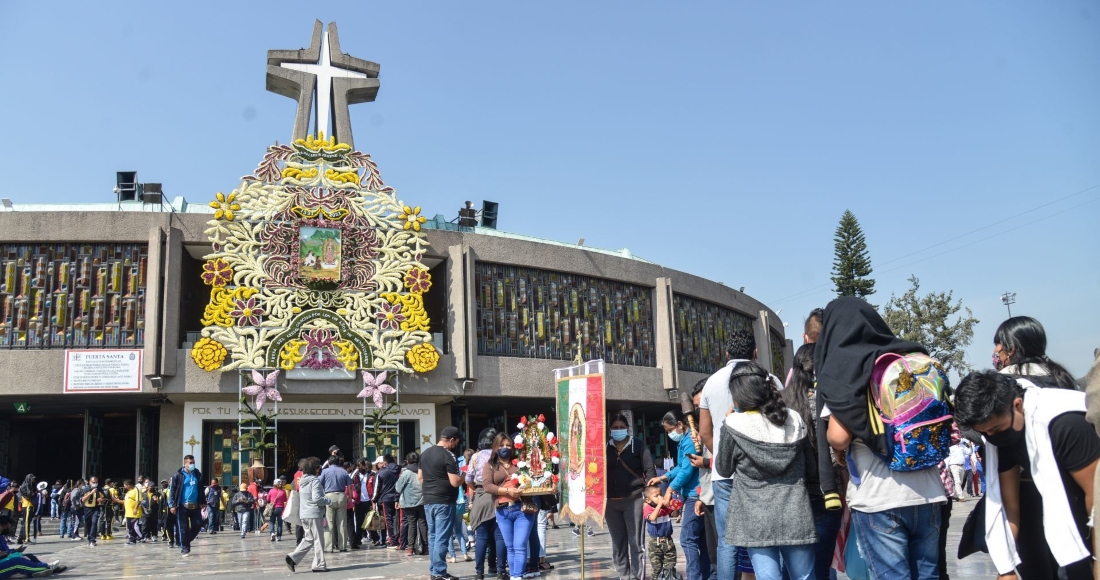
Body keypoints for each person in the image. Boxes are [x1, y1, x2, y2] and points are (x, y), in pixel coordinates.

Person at [817, 297, 946, 580]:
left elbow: (838, 437)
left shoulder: (843, 370)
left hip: (880, 497)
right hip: (929, 490)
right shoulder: (909, 357)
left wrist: (840, 446)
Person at [955, 370, 1098, 579]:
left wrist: (1098, 560)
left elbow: (1095, 498)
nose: (991, 437)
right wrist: (1005, 568)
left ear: (1017, 405)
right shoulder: (1000, 437)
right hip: (1062, 511)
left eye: (995, 428)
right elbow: (1010, 506)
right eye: (984, 433)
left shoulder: (1065, 424)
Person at [716, 361, 816, 580]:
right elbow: (811, 469)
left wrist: (727, 422)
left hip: (755, 517)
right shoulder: (794, 420)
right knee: (805, 576)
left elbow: (723, 469)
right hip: (795, 513)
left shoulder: (734, 425)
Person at [698, 328, 770, 580]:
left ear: (726, 353)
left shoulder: (711, 383)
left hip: (723, 474)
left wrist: (723, 454)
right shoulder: (768, 378)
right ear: (755, 353)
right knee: (765, 536)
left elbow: (705, 431)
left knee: (727, 541)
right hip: (763, 471)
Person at [780, 342, 843, 580]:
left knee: (791, 570)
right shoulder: (828, 402)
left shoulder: (780, 404)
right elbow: (836, 455)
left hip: (790, 499)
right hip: (827, 496)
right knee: (821, 569)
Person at [649, 411, 709, 580]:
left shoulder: (690, 439)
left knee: (687, 538)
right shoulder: (683, 441)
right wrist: (663, 477)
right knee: (701, 539)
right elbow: (680, 466)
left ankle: (695, 576)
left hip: (694, 494)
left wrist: (670, 489)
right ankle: (707, 574)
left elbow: (687, 470)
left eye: (670, 430)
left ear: (680, 425)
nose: (669, 434)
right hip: (692, 493)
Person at [605, 414, 657, 580]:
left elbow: (649, 470)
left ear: (627, 428)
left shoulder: (638, 445)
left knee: (636, 543)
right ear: (609, 429)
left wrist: (651, 495)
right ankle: (624, 576)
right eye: (615, 427)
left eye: (621, 427)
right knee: (618, 543)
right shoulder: (604, 447)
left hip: (634, 499)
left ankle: (637, 576)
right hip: (611, 503)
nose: (618, 430)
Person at [483, 432, 533, 580]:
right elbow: (487, 486)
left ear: (513, 447)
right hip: (502, 510)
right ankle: (514, 575)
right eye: (502, 445)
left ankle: (517, 576)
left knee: (520, 545)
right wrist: (507, 490)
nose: (505, 448)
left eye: (508, 445)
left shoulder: (520, 463)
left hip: (522, 508)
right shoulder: (490, 465)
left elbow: (532, 480)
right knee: (510, 547)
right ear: (496, 447)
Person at [419, 426, 465, 580]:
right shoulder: (448, 455)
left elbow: (420, 478)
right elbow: (454, 482)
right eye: (456, 442)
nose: (455, 445)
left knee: (433, 536)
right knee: (442, 537)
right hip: (444, 501)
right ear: (451, 440)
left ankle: (434, 570)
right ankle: (439, 572)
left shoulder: (424, 453)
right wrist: (465, 475)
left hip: (428, 500)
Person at [993, 316, 1079, 390]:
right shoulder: (1063, 378)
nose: (994, 351)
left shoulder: (1001, 382)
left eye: (997, 344)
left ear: (1011, 349)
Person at [468, 427, 506, 580]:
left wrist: (477, 489)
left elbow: (468, 479)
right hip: (499, 495)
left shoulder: (475, 457)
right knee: (499, 536)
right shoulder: (499, 455)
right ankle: (501, 571)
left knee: (481, 536)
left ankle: (479, 573)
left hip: (481, 496)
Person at [286, 456, 331, 573]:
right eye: (318, 467)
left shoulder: (302, 480)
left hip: (304, 514)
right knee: (318, 540)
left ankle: (292, 557)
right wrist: (328, 501)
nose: (320, 468)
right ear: (314, 468)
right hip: (314, 513)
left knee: (309, 539)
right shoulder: (315, 480)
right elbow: (317, 498)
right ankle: (319, 564)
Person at [0, 515, 66, 578]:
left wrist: (15, 551)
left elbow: (6, 551)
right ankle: (46, 567)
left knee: (28, 556)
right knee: (17, 562)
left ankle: (40, 569)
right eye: (4, 527)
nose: (3, 529)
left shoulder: (1, 537)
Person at [167, 454, 206, 557]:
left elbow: (201, 489)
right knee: (183, 528)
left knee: (197, 525)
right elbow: (173, 491)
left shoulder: (197, 474)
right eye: (190, 463)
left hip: (195, 505)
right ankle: (185, 549)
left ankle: (184, 541)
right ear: (185, 463)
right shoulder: (178, 475)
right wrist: (172, 505)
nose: (192, 464)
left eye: (193, 462)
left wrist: (202, 502)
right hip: (182, 505)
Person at [642, 484, 678, 580]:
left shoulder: (665, 509)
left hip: (668, 541)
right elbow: (652, 517)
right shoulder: (648, 509)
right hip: (655, 543)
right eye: (656, 496)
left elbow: (674, 514)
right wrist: (659, 505)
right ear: (648, 500)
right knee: (657, 568)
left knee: (670, 566)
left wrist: (676, 507)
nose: (660, 497)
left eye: (660, 494)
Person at [397, 451, 428, 556]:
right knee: (423, 523)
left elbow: (398, 488)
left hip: (409, 503)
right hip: (423, 502)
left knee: (412, 524)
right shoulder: (424, 471)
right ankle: (426, 547)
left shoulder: (406, 473)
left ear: (407, 461)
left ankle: (410, 548)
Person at [319, 456, 352, 553]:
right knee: (342, 523)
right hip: (341, 495)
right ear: (339, 463)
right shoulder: (344, 471)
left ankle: (329, 547)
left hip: (329, 496)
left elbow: (320, 485)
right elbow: (349, 486)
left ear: (329, 463)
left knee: (329, 523)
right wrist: (349, 497)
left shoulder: (325, 471)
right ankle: (343, 546)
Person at [372, 454, 400, 550]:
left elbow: (377, 488)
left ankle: (392, 540)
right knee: (397, 519)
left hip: (386, 498)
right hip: (398, 497)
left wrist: (374, 499)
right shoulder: (399, 470)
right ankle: (398, 538)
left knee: (388, 520)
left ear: (385, 462)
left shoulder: (382, 472)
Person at [79, 477, 105, 547]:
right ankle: (89, 537)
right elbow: (83, 500)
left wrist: (101, 499)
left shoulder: (99, 489)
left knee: (94, 522)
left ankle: (92, 540)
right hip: (87, 509)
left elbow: (104, 498)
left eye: (96, 482)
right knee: (88, 524)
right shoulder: (86, 489)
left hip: (96, 508)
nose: (95, 484)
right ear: (90, 482)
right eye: (93, 482)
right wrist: (91, 493)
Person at [120, 480, 142, 545]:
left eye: (125, 486)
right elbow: (126, 501)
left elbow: (138, 501)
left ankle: (141, 537)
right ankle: (132, 540)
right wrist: (117, 500)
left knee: (134, 526)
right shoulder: (128, 492)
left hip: (134, 513)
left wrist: (135, 509)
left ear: (128, 485)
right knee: (129, 528)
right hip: (128, 513)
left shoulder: (136, 490)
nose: (124, 487)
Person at [267, 478, 287, 542]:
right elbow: (285, 500)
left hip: (273, 508)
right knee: (279, 523)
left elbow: (267, 499)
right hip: (281, 509)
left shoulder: (271, 491)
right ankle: (279, 537)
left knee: (272, 522)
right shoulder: (283, 491)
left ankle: (272, 533)